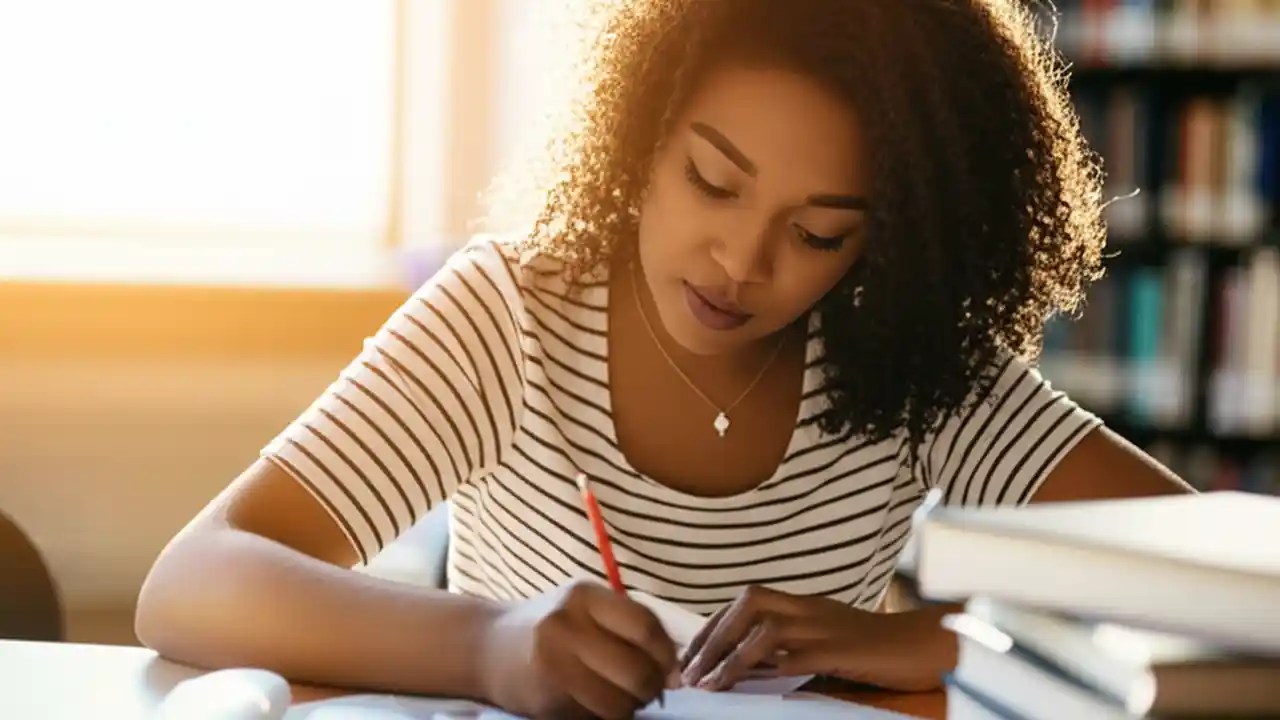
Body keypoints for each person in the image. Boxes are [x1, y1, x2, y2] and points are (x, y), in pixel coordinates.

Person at [136, 1, 1192, 718]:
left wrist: (928, 640)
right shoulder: (514, 310)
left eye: (819, 234)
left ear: (894, 238)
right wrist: (491, 648)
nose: (740, 262)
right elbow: (192, 584)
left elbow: (1215, 592)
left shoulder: (914, 358)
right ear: (639, 134)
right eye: (710, 181)